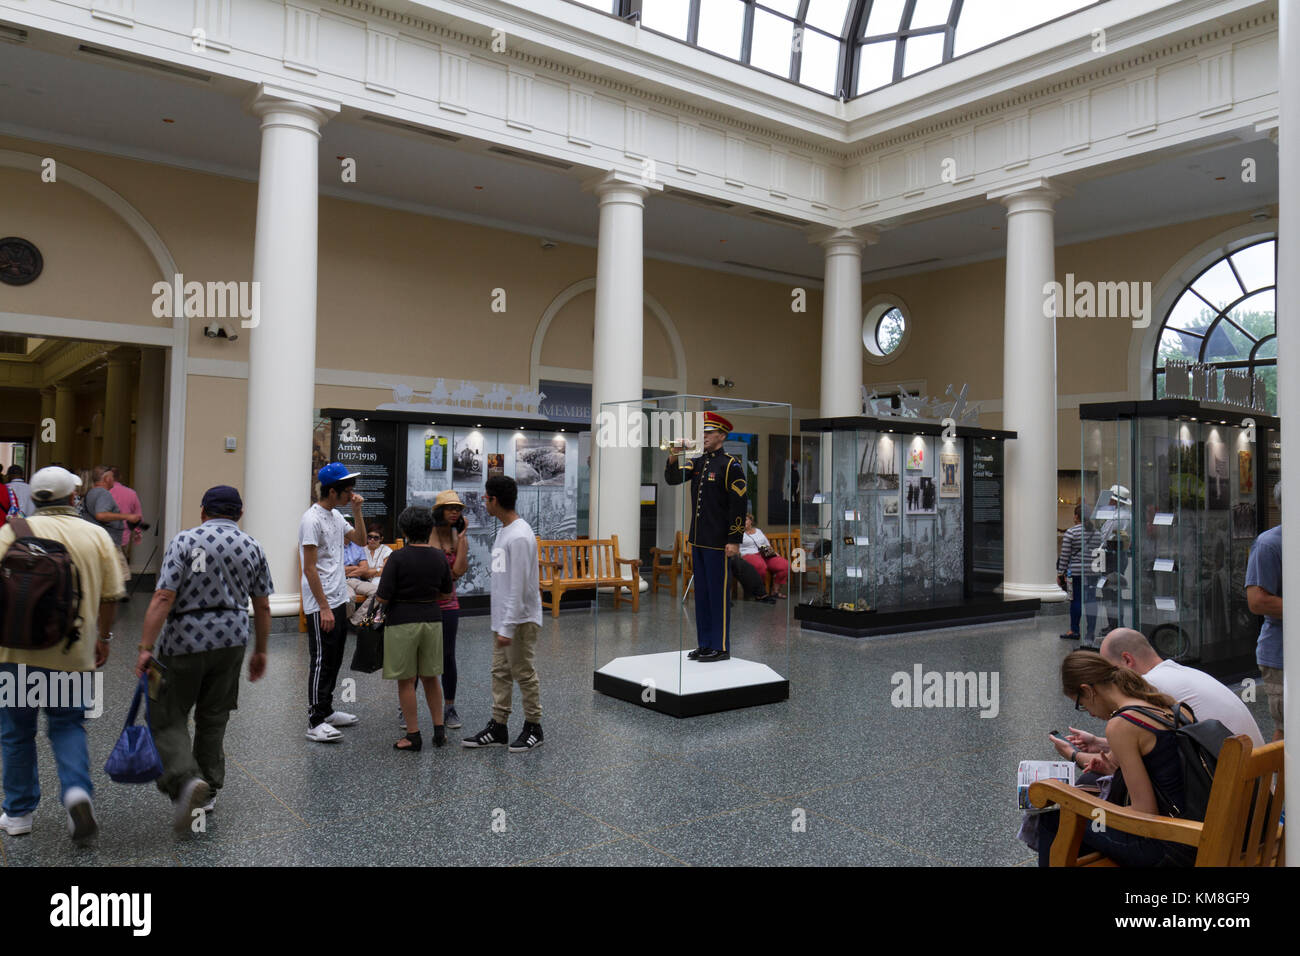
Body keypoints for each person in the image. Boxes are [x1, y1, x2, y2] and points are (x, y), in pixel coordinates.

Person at [135, 485, 272, 831]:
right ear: (239, 514)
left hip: (184, 641)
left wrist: (145, 647)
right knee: (214, 716)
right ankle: (208, 789)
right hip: (232, 640)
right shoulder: (252, 546)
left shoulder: (183, 541)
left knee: (166, 714)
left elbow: (164, 596)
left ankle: (184, 780)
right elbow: (263, 605)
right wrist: (261, 650)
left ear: (203, 511)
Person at [0, 467, 125, 843]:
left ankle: (18, 812)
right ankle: (76, 793)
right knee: (68, 725)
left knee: (16, 732)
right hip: (73, 652)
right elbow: (111, 595)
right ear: (72, 497)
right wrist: (103, 637)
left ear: (35, 499)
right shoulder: (94, 535)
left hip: (15, 652)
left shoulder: (9, 533)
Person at [1036, 650, 1197, 867]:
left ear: (1088, 690)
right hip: (1195, 829)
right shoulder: (1166, 706)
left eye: (1081, 704)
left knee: (1053, 821)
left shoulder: (1122, 724)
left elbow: (1144, 813)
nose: (1090, 713)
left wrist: (1084, 806)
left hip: (1168, 847)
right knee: (1087, 823)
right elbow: (1168, 772)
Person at [1052, 628, 1266, 775]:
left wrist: (1073, 755)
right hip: (1255, 788)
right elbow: (1157, 742)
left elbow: (1117, 764)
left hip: (1229, 799)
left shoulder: (1149, 687)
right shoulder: (1177, 673)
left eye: (1110, 671)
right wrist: (1100, 743)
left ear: (1127, 660)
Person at [462, 476, 545, 752]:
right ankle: (499, 726)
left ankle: (534, 726)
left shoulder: (520, 535)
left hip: (519, 619)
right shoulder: (503, 531)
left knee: (523, 672)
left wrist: (508, 626)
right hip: (504, 620)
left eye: (486, 499)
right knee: (500, 672)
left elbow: (520, 586)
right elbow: (502, 578)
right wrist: (500, 623)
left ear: (495, 500)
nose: (484, 503)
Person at [665, 412, 747, 662]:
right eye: (703, 433)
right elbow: (672, 478)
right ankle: (704, 644)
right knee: (701, 594)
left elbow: (738, 505)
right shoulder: (699, 462)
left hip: (719, 542)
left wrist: (734, 540)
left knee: (718, 594)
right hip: (698, 539)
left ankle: (720, 646)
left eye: (708, 434)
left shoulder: (730, 465)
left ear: (722, 436)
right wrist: (674, 453)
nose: (704, 437)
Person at [300, 462, 367, 743]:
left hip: (339, 597)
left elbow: (361, 540)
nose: (350, 493)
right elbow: (310, 568)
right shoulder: (311, 520)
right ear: (331, 491)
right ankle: (315, 720)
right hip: (321, 602)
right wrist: (324, 607)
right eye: (346, 490)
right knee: (321, 660)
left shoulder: (337, 515)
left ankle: (326, 711)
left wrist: (357, 511)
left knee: (335, 657)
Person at [377, 506, 453, 751]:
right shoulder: (439, 556)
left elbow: (383, 596)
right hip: (432, 619)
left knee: (407, 681)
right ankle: (439, 731)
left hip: (402, 622)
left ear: (404, 530)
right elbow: (445, 591)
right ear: (429, 528)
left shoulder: (397, 557)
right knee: (431, 677)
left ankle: (413, 735)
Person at [1245, 489, 1283, 740]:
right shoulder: (1269, 544)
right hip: (1282, 656)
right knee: (1289, 729)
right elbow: (1257, 602)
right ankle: (1281, 780)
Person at [432, 491, 468, 729]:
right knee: (418, 657)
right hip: (425, 605)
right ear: (439, 511)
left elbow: (459, 571)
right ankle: (405, 708)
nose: (455, 512)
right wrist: (449, 573)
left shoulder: (458, 537)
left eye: (458, 508)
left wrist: (463, 538)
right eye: (450, 508)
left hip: (449, 605)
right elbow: (436, 572)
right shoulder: (428, 535)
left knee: (448, 656)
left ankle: (449, 708)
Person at [80, 465, 140, 586]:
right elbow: (101, 515)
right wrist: (127, 516)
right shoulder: (103, 494)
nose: (114, 480)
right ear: (107, 478)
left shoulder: (92, 492)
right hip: (109, 542)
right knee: (120, 577)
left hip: (98, 541)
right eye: (112, 477)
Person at [1056, 502, 1100, 643]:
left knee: (1076, 601)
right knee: (1091, 601)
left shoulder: (1071, 532)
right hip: (1093, 572)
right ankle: (1091, 632)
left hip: (1075, 572)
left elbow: (1065, 555)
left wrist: (1060, 573)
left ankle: (1074, 630)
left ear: (1076, 516)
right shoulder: (1097, 533)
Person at [739, 511, 789, 598]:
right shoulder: (737, 533)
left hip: (764, 551)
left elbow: (766, 544)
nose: (743, 522)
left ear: (751, 520)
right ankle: (759, 592)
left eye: (745, 519)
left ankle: (775, 591)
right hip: (748, 554)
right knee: (760, 566)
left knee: (784, 565)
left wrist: (773, 553)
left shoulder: (758, 531)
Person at [108, 465, 143, 553]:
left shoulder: (103, 492)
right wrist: (137, 532)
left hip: (104, 537)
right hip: (123, 538)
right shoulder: (131, 493)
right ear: (120, 477)